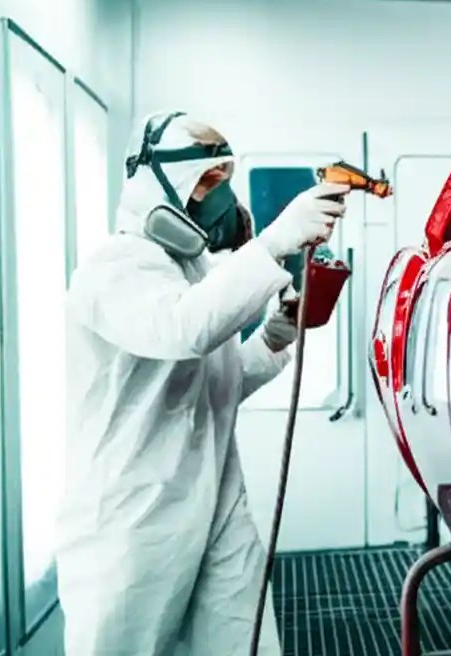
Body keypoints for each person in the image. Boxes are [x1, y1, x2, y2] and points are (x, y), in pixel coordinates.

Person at [56, 112, 349, 655]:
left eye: (223, 182)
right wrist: (275, 240)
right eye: (207, 183)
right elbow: (183, 329)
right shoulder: (111, 268)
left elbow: (215, 385)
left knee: (243, 642)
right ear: (157, 186)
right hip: (134, 516)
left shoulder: (197, 273)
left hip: (214, 498)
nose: (220, 201)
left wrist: (276, 335)